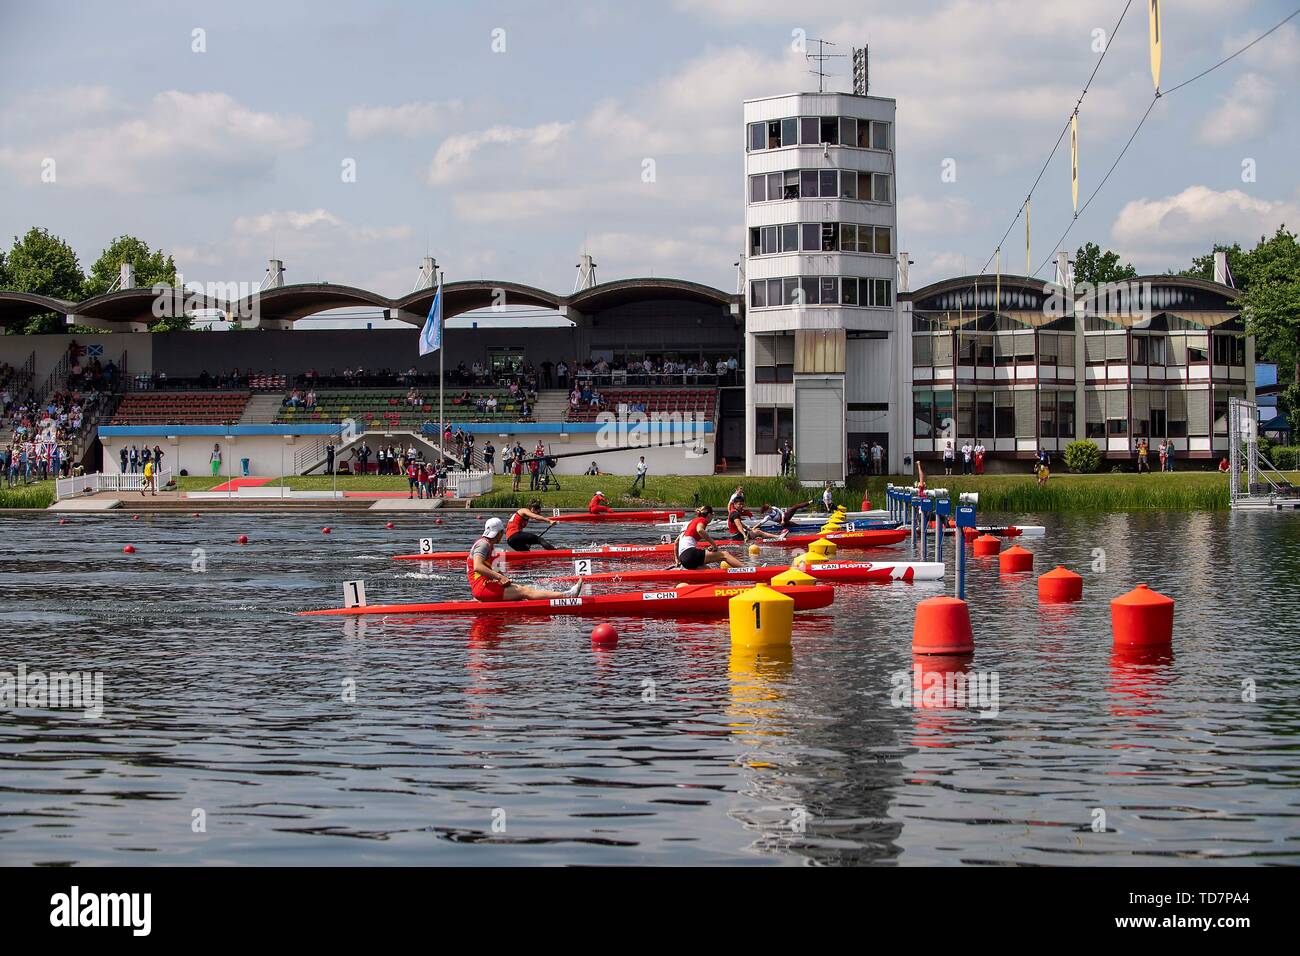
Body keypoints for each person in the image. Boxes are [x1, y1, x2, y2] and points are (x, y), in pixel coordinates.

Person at [468, 518, 581, 602]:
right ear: (499, 533)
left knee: (522, 589)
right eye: (502, 533)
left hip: (484, 586)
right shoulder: (483, 545)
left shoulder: (487, 544)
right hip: (482, 588)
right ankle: (567, 596)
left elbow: (491, 569)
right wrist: (500, 577)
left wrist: (503, 577)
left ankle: (555, 596)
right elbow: (478, 567)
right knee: (525, 591)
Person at [675, 505, 744, 570]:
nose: (712, 517)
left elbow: (676, 542)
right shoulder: (702, 520)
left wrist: (677, 560)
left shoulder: (689, 524)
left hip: (684, 559)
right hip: (690, 554)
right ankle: (749, 570)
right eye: (712, 515)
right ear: (709, 515)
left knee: (709, 571)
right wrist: (714, 545)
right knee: (725, 554)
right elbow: (700, 530)